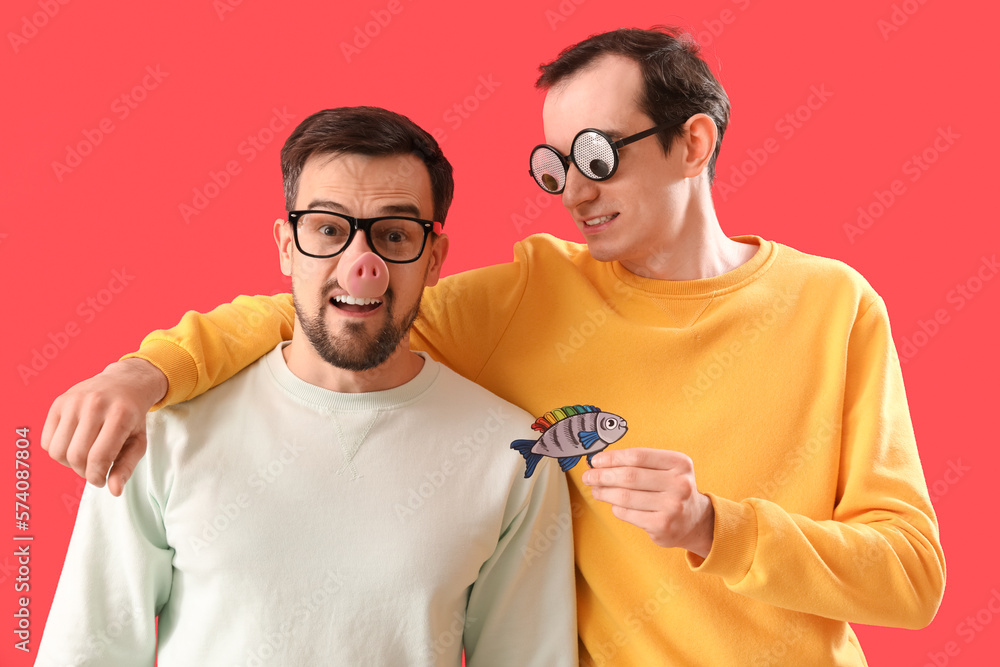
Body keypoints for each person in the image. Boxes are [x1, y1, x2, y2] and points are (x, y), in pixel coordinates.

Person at [42, 27, 945, 666]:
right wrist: (143, 372)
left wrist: (714, 525)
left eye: (596, 157)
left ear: (692, 142)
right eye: (552, 169)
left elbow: (912, 579)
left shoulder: (834, 307)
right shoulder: (533, 293)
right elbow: (330, 308)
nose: (573, 195)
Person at [36, 106, 577, 666]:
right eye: (328, 228)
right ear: (287, 245)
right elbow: (86, 652)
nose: (359, 264)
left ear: (434, 259)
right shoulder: (159, 429)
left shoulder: (514, 454)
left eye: (394, 234)